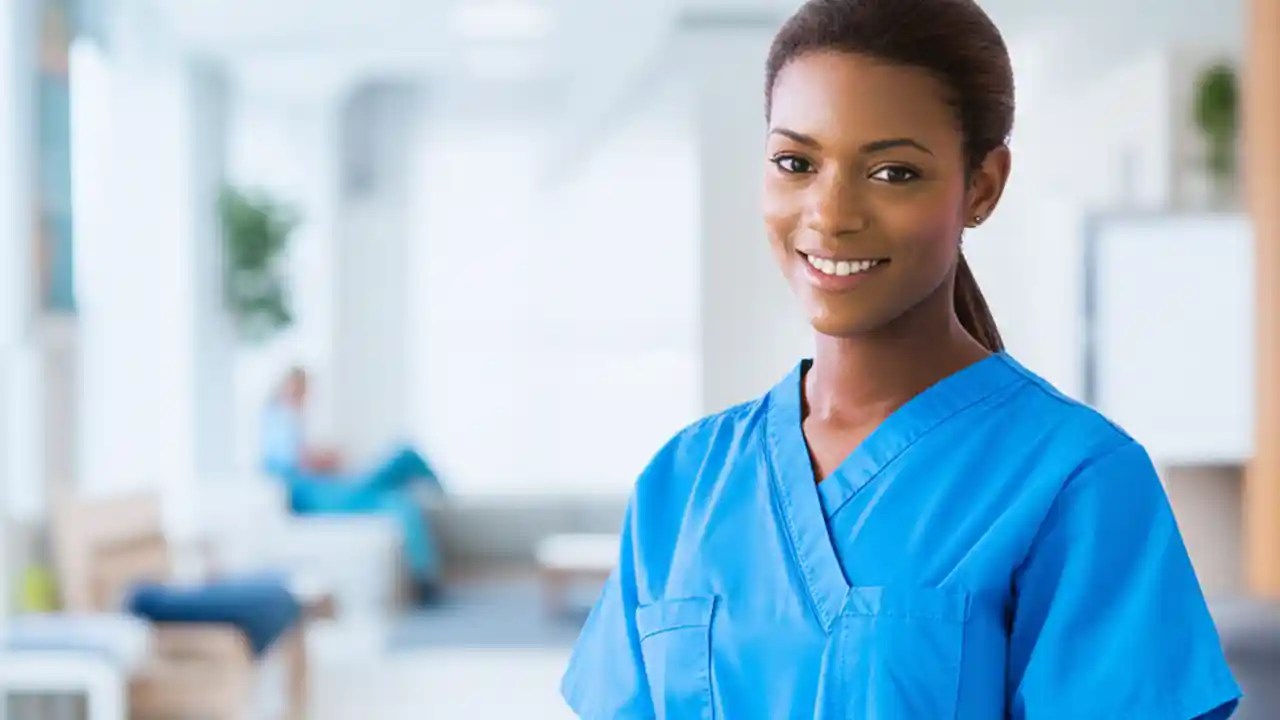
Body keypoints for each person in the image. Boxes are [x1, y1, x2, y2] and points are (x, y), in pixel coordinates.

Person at [561, 1, 1242, 718]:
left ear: (981, 184)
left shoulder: (1075, 480)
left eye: (892, 172)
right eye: (796, 162)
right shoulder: (683, 483)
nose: (830, 213)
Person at [261, 366, 445, 603]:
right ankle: (427, 572)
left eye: (306, 391)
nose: (304, 397)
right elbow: (293, 461)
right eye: (300, 390)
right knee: (404, 469)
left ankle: (426, 575)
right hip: (318, 496)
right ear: (285, 387)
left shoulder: (289, 420)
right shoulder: (278, 418)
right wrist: (325, 458)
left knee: (400, 496)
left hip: (329, 489)